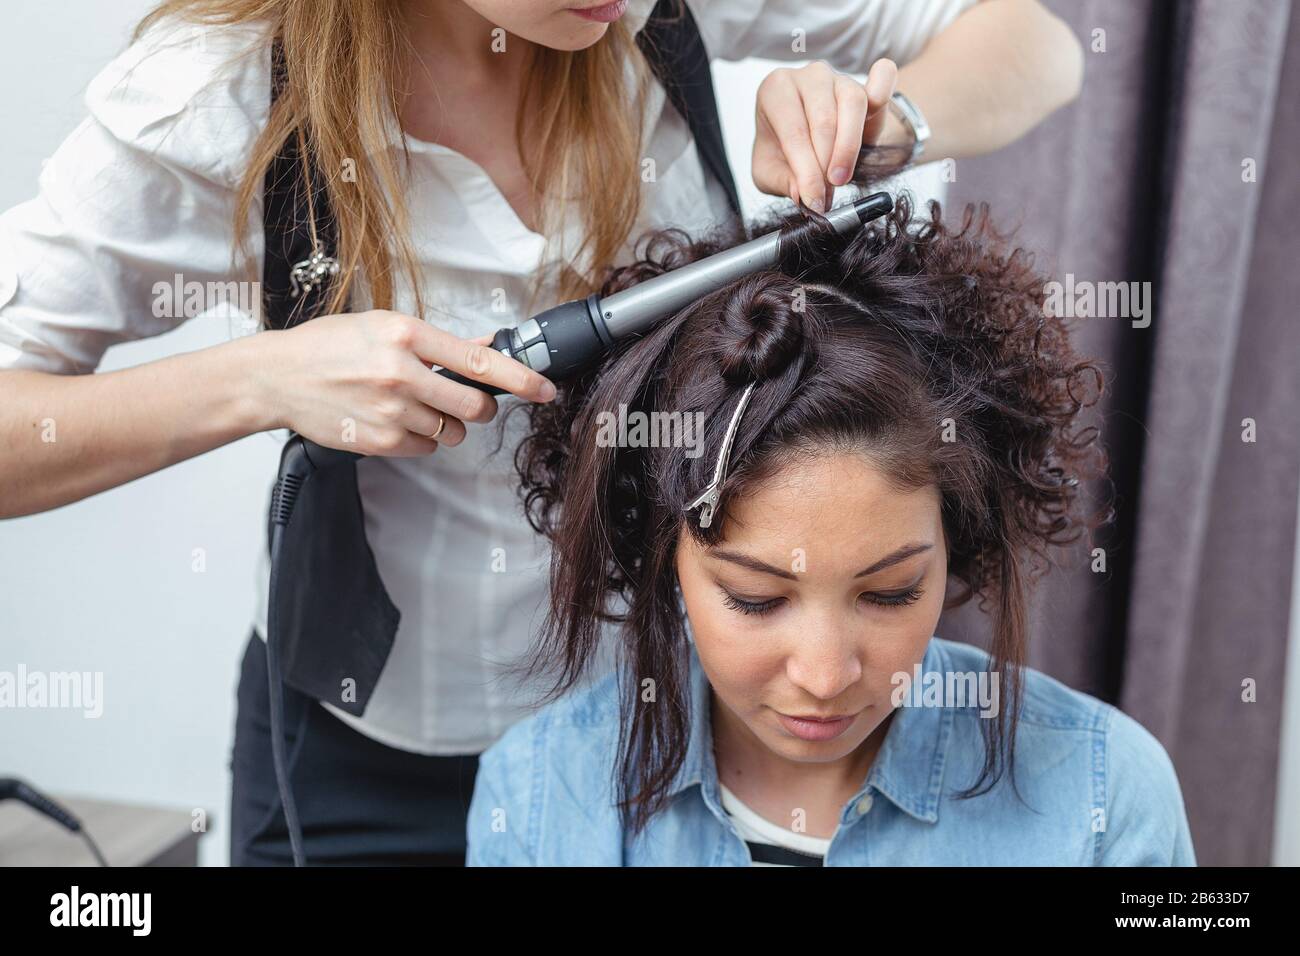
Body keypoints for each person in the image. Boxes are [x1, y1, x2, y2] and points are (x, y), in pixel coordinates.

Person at [0, 0, 1085, 865]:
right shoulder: (218, 93)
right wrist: (259, 380)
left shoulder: (655, 15)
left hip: (647, 744)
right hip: (367, 758)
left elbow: (1037, 43)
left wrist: (887, 122)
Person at [465, 192, 1197, 866]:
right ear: (661, 553)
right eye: (756, 598)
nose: (824, 678)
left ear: (955, 537)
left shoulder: (1105, 796)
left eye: (891, 592)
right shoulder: (540, 798)